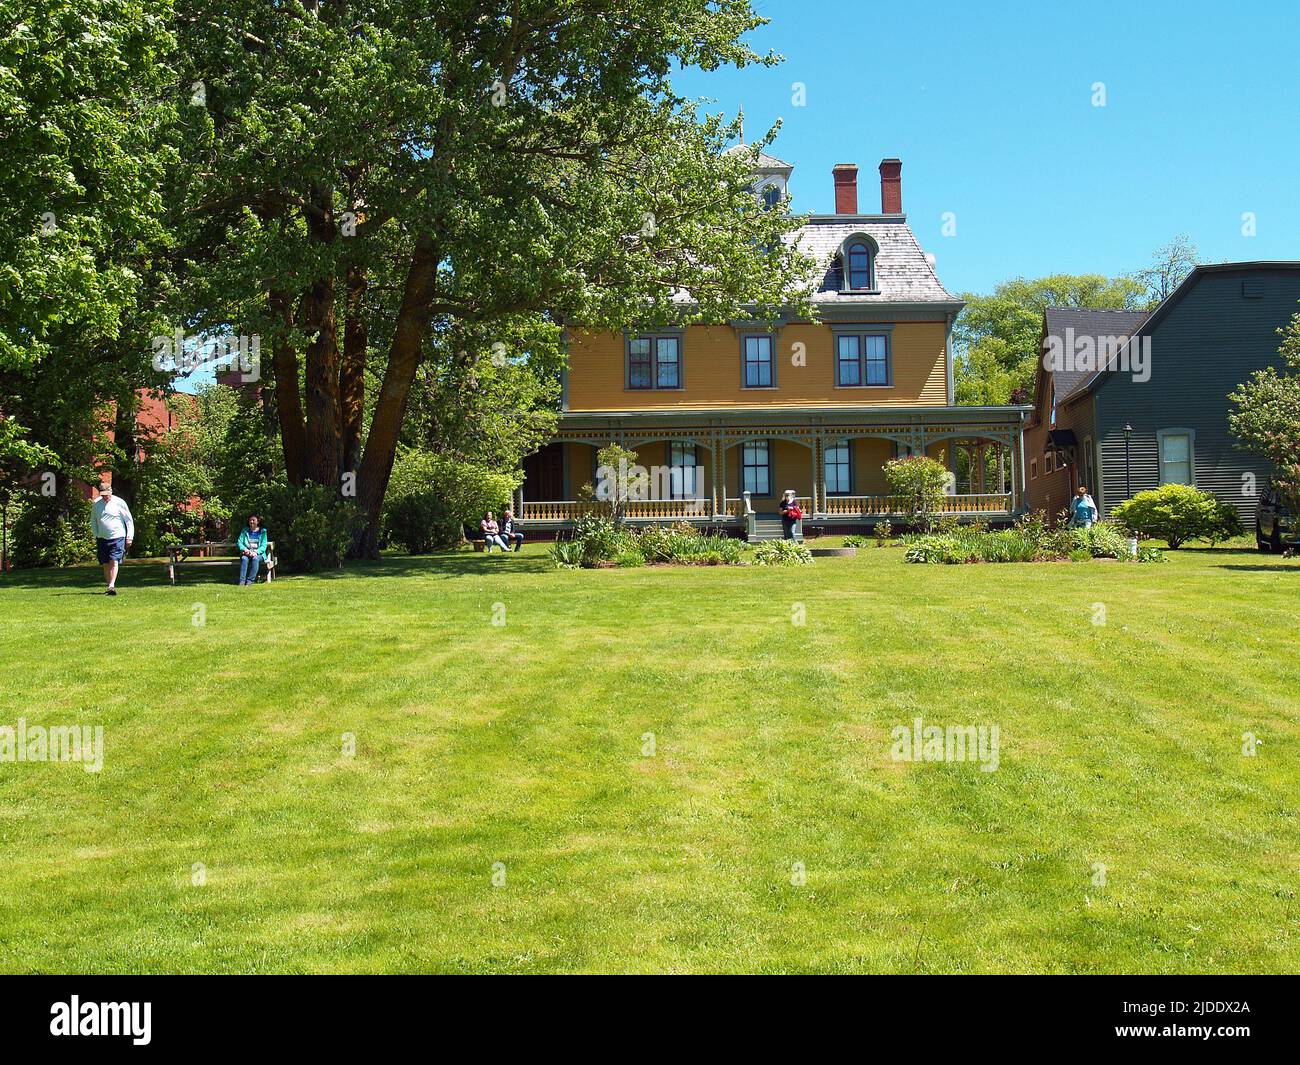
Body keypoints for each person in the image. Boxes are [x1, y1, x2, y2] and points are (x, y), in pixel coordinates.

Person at [91, 482, 133, 596]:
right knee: (105, 562)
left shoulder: (119, 503)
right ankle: (109, 584)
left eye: (107, 494)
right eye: (103, 495)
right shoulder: (96, 504)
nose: (105, 497)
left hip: (117, 536)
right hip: (102, 538)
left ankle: (112, 585)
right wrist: (96, 534)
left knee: (114, 560)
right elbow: (93, 520)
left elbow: (128, 520)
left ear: (111, 492)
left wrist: (129, 537)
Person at [237, 514, 268, 585]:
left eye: (253, 520)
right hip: (247, 552)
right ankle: (241, 581)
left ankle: (250, 581)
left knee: (255, 559)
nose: (251, 522)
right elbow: (239, 542)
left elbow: (263, 546)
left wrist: (256, 552)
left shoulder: (263, 531)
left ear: (258, 521)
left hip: (259, 554)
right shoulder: (244, 531)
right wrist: (245, 549)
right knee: (244, 559)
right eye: (250, 520)